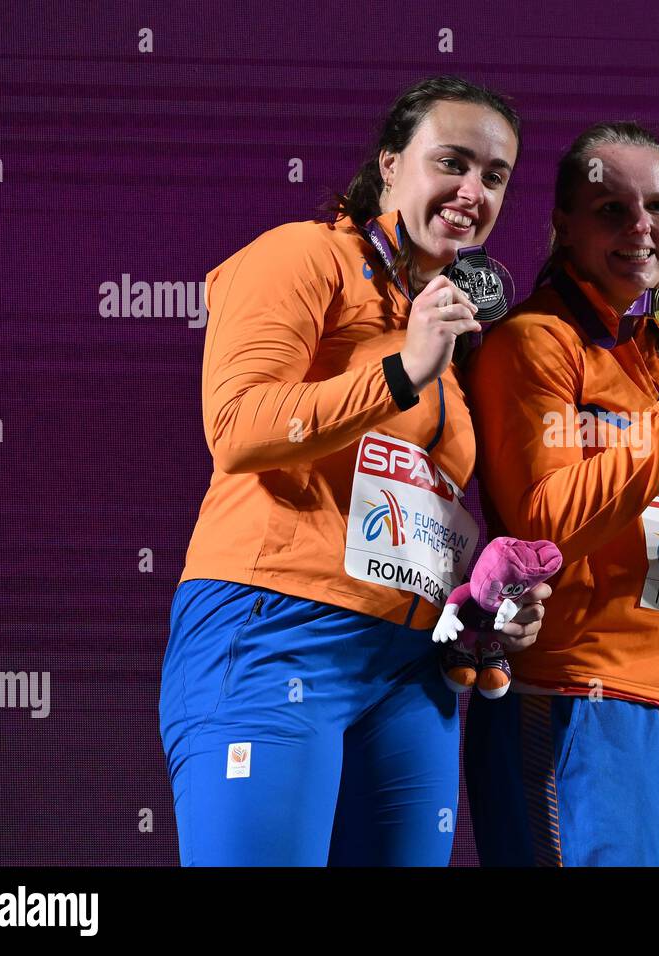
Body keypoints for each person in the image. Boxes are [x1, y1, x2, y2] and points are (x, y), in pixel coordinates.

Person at [158, 75, 551, 866]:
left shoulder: (442, 322)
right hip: (274, 630)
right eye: (454, 162)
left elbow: (399, 495)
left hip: (411, 668)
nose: (474, 191)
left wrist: (481, 602)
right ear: (391, 165)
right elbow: (234, 427)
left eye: (496, 175)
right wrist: (401, 371)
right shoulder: (302, 256)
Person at [463, 122, 659, 866]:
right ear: (563, 224)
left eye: (658, 206)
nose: (641, 227)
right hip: (577, 695)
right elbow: (541, 523)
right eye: (611, 209)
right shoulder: (534, 343)